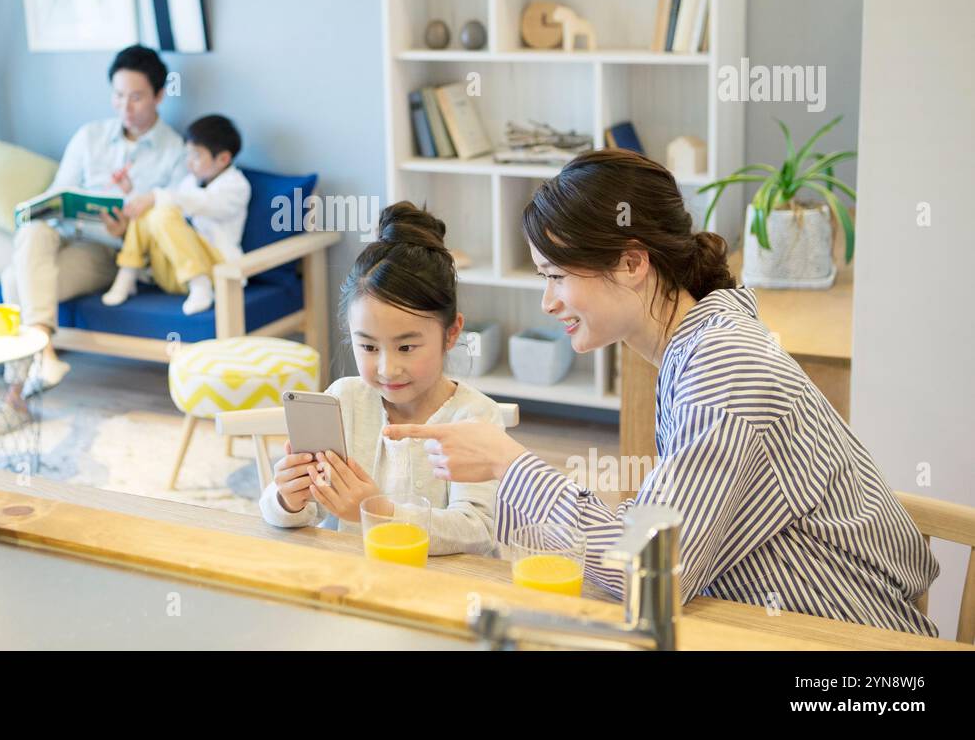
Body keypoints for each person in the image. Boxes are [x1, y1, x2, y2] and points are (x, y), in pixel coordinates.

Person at [386, 149, 940, 636]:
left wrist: (511, 466)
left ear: (632, 263)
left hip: (845, 643)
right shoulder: (698, 345)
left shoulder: (722, 365)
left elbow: (655, 571)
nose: (548, 303)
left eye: (556, 276)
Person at [260, 202, 505, 556]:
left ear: (451, 333)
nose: (388, 368)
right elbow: (293, 516)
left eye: (406, 347)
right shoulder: (343, 400)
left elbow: (477, 531)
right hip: (351, 583)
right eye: (369, 347)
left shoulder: (475, 418)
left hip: (441, 590)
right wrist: (288, 497)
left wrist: (377, 510)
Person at [0, 45, 186, 394]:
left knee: (14, 280)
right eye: (118, 96)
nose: (125, 107)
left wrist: (126, 231)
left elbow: (169, 222)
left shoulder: (175, 152)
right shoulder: (91, 136)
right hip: (63, 236)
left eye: (137, 98)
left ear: (160, 96)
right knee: (33, 228)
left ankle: (17, 397)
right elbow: (58, 192)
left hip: (111, 254)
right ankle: (43, 352)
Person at [101, 115, 250, 316]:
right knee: (151, 212)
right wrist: (131, 193)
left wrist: (155, 196)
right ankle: (128, 272)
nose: (189, 163)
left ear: (223, 159)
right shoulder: (189, 182)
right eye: (188, 155)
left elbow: (199, 202)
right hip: (176, 273)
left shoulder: (236, 186)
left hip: (216, 271)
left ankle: (200, 283)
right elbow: (166, 207)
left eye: (196, 156)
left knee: (162, 211)